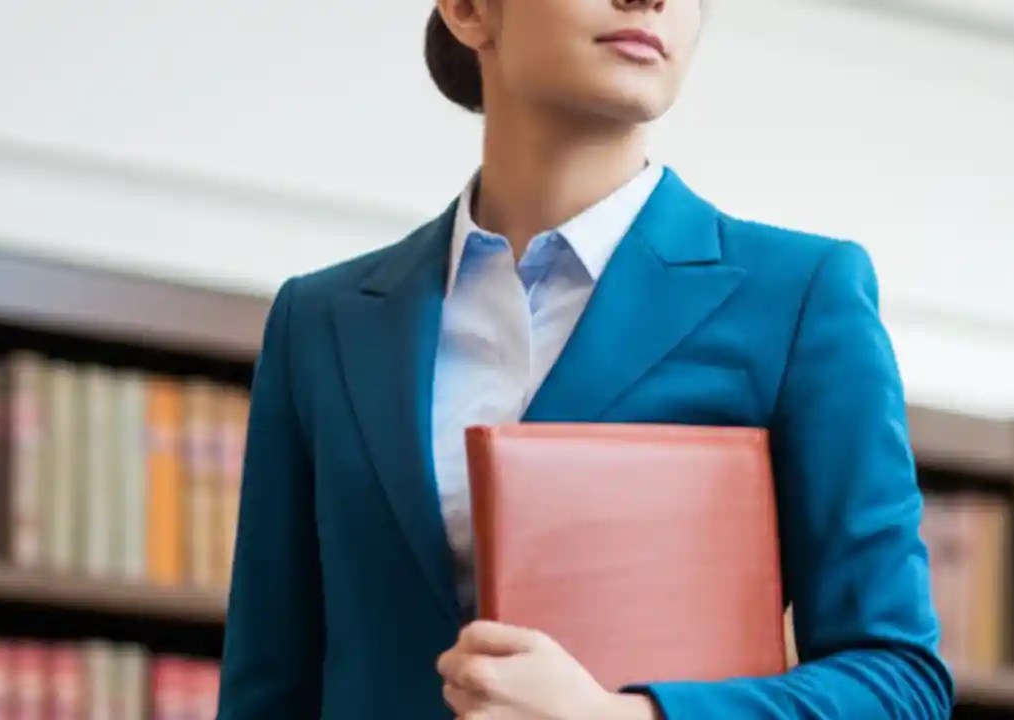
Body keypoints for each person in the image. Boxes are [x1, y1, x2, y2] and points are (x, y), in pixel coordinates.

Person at [217, 0, 953, 717]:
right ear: (470, 10)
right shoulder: (321, 324)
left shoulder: (799, 299)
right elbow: (267, 690)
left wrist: (624, 716)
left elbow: (898, 684)